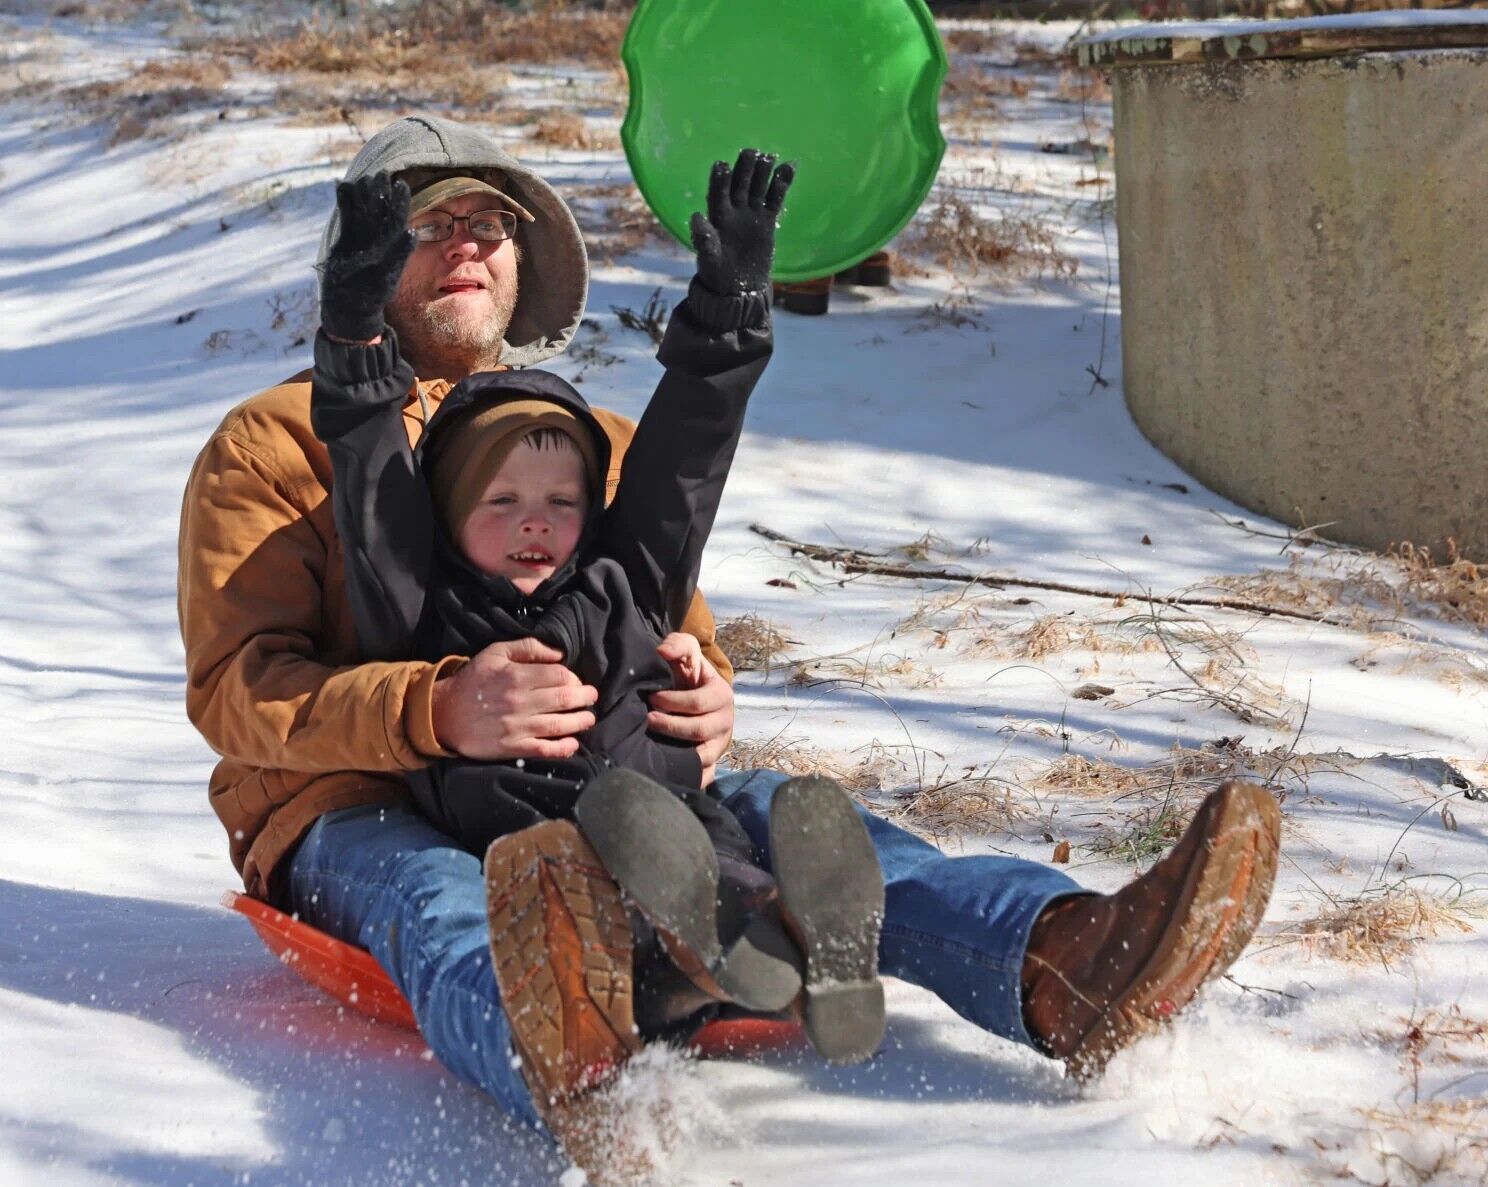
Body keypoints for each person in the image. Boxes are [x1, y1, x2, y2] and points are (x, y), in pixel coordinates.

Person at [177, 113, 1282, 1176]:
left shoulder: (587, 437)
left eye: (493, 224)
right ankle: (585, 1075)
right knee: (436, 900)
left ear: (523, 264)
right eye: (429, 224)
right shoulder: (275, 444)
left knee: (807, 823)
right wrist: (435, 707)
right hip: (354, 797)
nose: (468, 243)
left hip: (591, 774)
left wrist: (705, 697)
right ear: (368, 262)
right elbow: (236, 689)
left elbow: (659, 604)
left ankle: (1060, 961)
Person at [306, 153, 887, 1058]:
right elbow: (373, 474)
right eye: (501, 503)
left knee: (701, 852)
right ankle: (720, 953)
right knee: (610, 886)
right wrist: (352, 334)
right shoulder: (424, 602)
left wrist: (729, 311)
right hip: (544, 852)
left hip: (671, 826)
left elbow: (682, 459)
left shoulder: (622, 579)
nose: (535, 525)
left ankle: (790, 941)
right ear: (449, 516)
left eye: (562, 503)